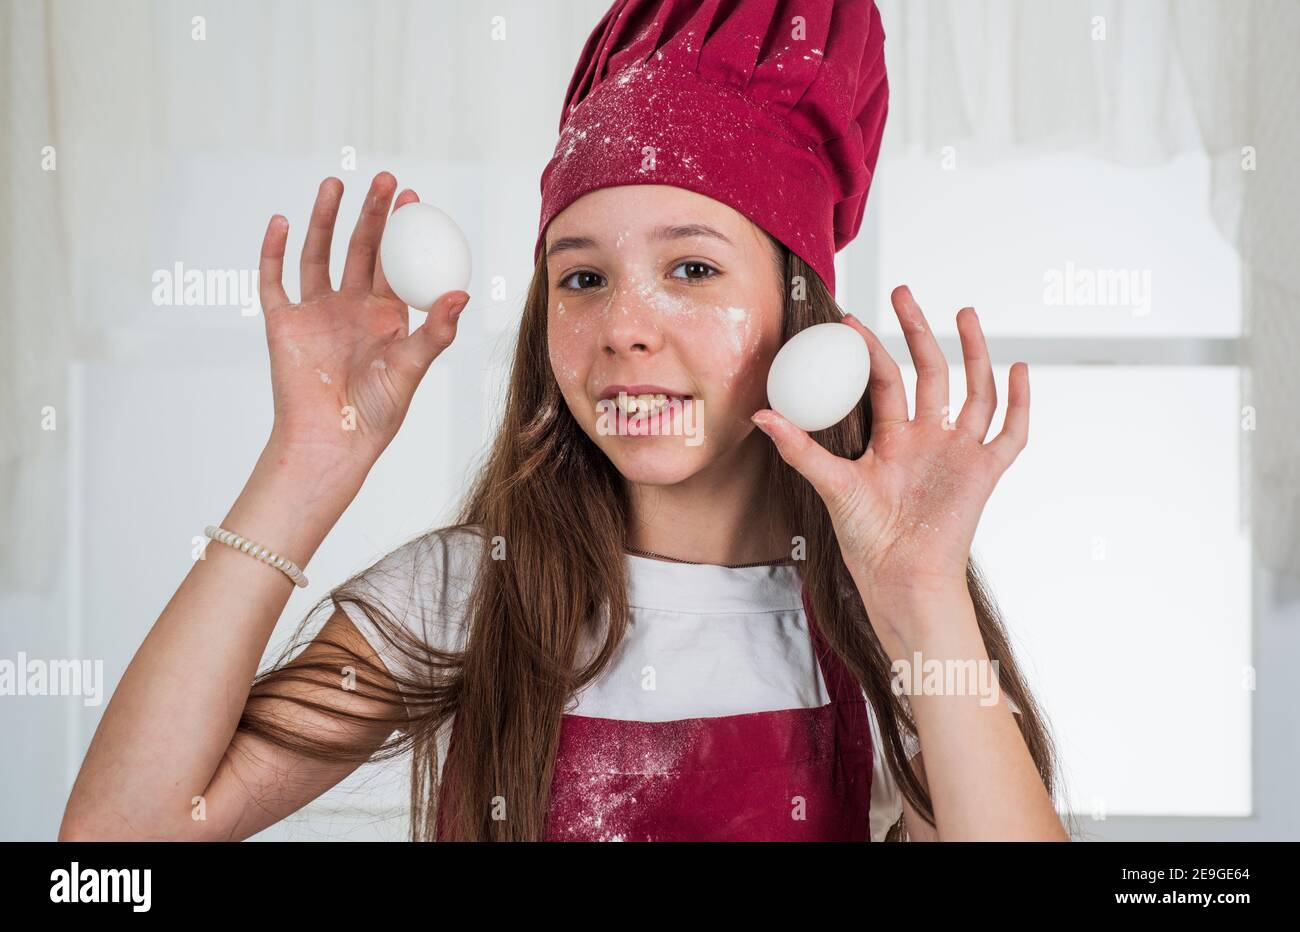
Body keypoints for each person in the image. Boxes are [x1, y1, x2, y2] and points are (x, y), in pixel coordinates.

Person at [60, 0, 1068, 842]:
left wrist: (928, 599)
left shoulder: (886, 622)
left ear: (798, 315)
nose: (624, 327)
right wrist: (303, 465)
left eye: (692, 268)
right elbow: (112, 852)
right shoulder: (469, 593)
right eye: (582, 276)